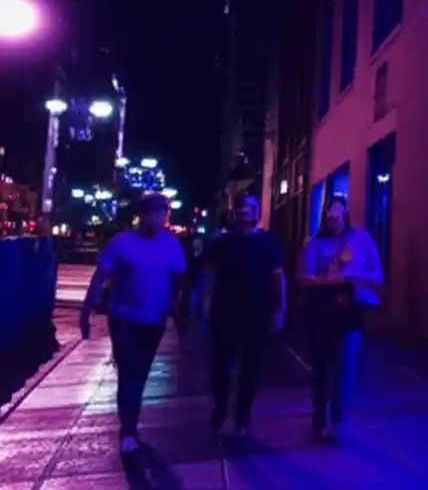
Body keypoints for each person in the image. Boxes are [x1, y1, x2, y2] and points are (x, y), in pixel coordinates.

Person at [80, 193, 187, 454]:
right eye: (151, 212)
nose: (156, 217)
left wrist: (181, 317)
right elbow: (101, 275)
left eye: (161, 212)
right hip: (124, 318)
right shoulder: (122, 242)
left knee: (140, 374)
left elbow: (178, 284)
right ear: (142, 214)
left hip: (154, 320)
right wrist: (87, 309)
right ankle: (128, 431)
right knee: (129, 372)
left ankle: (130, 424)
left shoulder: (172, 246)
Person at [196, 193, 286, 435]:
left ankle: (243, 415)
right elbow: (209, 277)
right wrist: (204, 309)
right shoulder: (221, 243)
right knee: (220, 367)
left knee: (251, 368)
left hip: (256, 314)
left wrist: (279, 311)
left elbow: (278, 278)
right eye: (241, 207)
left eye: (249, 207)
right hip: (224, 314)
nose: (244, 211)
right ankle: (220, 410)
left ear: (257, 212)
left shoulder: (268, 242)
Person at [298, 196, 384, 442]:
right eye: (329, 217)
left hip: (351, 310)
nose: (333, 221)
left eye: (337, 216)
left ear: (345, 215)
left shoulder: (361, 239)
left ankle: (337, 420)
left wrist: (356, 275)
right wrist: (326, 279)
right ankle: (319, 417)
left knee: (346, 366)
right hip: (322, 312)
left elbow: (378, 275)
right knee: (321, 368)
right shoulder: (314, 243)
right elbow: (303, 276)